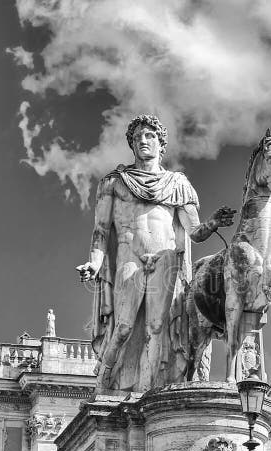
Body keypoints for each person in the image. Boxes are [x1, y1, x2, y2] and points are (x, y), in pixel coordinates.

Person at [76, 115, 235, 392]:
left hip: (166, 259)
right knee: (123, 327)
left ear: (161, 144)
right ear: (132, 145)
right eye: (137, 138)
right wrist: (94, 263)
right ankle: (104, 381)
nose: (142, 141)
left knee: (157, 328)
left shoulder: (177, 184)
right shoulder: (115, 183)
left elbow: (194, 231)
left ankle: (146, 393)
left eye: (149, 136)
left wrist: (213, 223)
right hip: (129, 258)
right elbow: (101, 231)